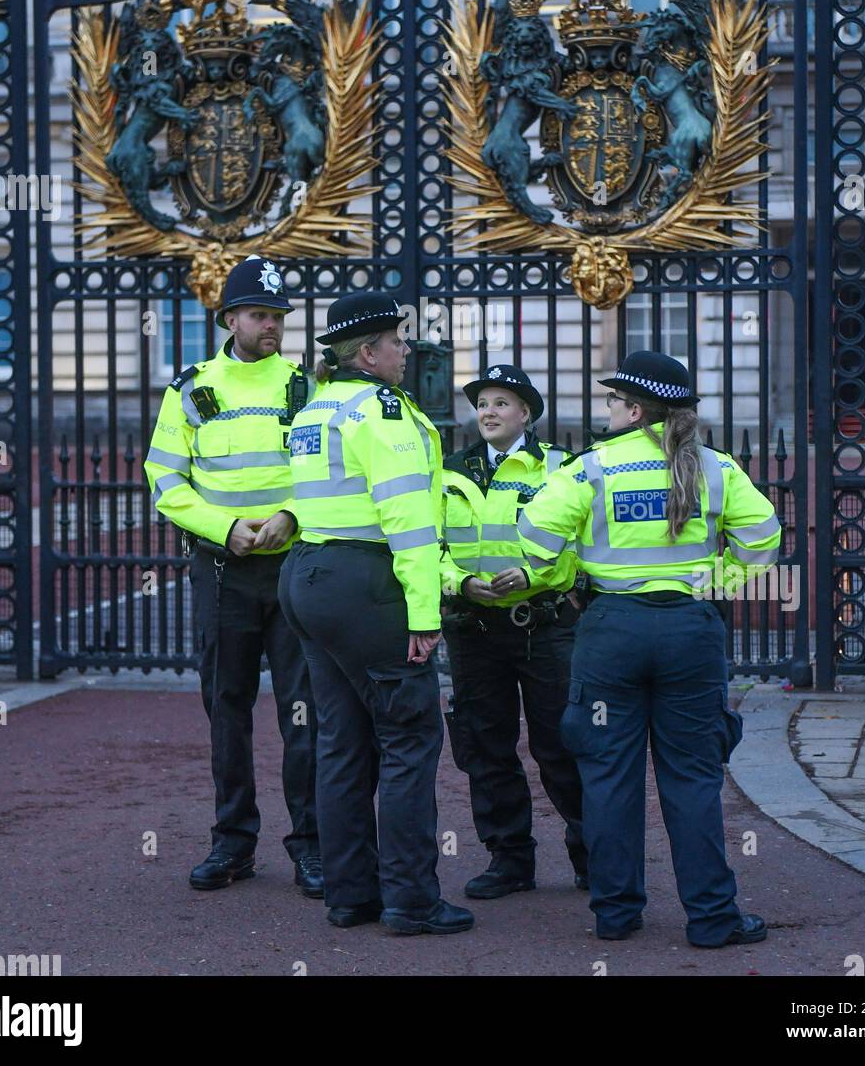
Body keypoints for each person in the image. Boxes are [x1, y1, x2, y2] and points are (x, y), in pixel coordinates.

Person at [519, 350, 781, 947]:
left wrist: (567, 578)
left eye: (614, 400)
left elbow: (534, 537)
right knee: (692, 777)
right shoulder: (715, 466)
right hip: (690, 630)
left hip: (611, 629)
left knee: (608, 775)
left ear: (635, 409)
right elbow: (763, 538)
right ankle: (713, 919)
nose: (607, 408)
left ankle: (615, 913)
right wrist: (715, 582)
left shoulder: (592, 467)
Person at [279, 292, 474, 935]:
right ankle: (411, 901)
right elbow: (409, 522)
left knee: (340, 742)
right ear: (368, 352)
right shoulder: (381, 411)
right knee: (408, 738)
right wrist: (425, 615)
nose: (406, 348)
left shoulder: (317, 406)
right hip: (367, 582)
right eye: (397, 339)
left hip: (310, 573)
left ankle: (350, 895)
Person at [144, 255, 321, 896]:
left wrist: (290, 514)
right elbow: (164, 478)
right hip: (222, 568)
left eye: (277, 316)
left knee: (304, 711)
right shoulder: (191, 389)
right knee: (228, 707)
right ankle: (233, 842)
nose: (271, 325)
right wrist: (225, 529)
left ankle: (312, 845)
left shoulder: (307, 386)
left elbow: (331, 469)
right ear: (230, 319)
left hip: (294, 565)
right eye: (259, 315)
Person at [440, 364, 588, 898]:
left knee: (562, 745)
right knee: (485, 747)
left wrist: (533, 574)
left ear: (526, 413)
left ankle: (591, 856)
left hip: (542, 626)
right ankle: (509, 860)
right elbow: (427, 545)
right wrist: (458, 582)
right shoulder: (448, 470)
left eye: (502, 403)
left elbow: (576, 543)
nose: (489, 411)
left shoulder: (560, 468)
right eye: (482, 403)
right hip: (472, 628)